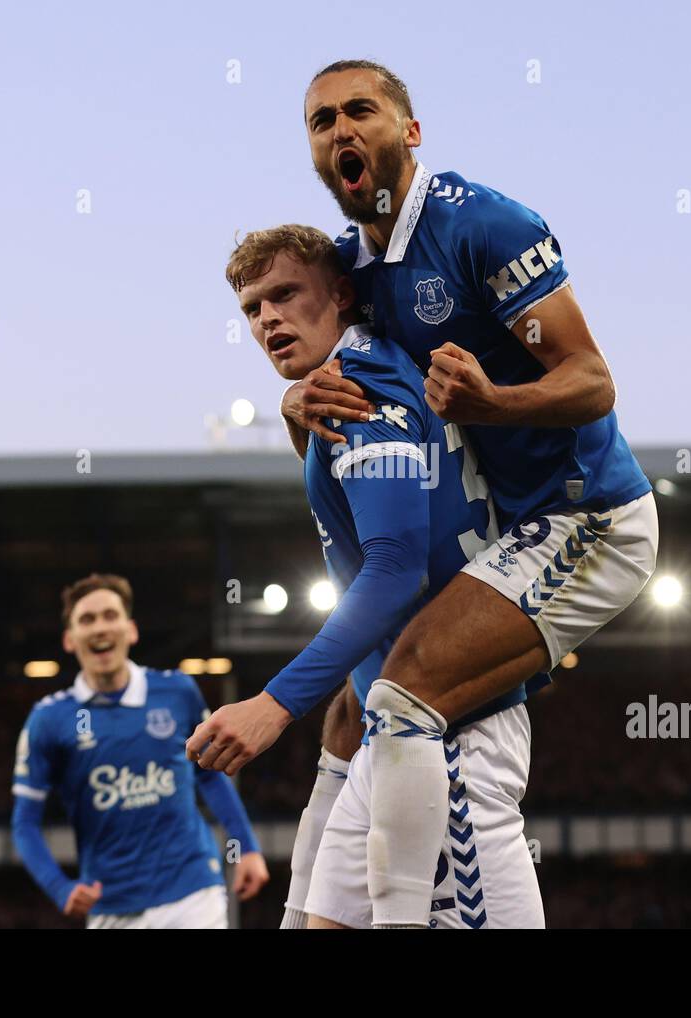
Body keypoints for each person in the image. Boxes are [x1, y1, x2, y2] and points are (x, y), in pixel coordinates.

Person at [190, 224, 545, 928]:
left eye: (285, 295)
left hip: (451, 741)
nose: (268, 320)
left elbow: (393, 572)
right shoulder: (351, 380)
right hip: (392, 734)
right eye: (252, 308)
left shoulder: (363, 391)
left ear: (343, 293)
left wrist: (273, 704)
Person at [12, 573, 268, 928]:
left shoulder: (178, 691)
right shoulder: (48, 719)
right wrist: (59, 888)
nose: (100, 627)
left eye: (110, 615)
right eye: (87, 619)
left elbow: (208, 777)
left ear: (131, 630)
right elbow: (24, 823)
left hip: (192, 890)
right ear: (70, 640)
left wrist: (247, 845)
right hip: (111, 903)